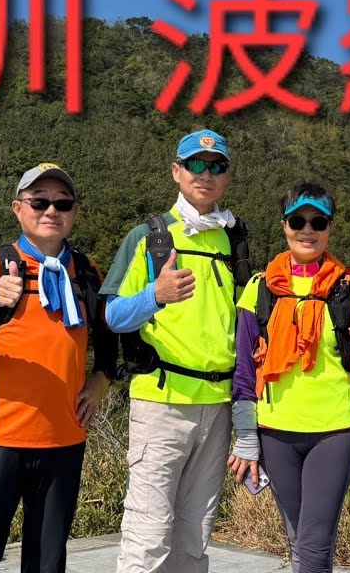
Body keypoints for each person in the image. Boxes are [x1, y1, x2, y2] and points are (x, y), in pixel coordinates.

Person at [0, 163, 116, 573]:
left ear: (74, 212)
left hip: (63, 439)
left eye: (62, 203)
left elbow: (110, 332)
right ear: (17, 208)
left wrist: (103, 377)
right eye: (39, 202)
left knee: (47, 564)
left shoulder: (86, 272)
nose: (51, 210)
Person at [101, 129, 249, 573]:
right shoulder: (149, 236)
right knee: (148, 533)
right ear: (176, 171)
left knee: (195, 534)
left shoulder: (233, 239)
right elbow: (113, 317)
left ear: (226, 176)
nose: (206, 174)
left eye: (216, 166)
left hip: (218, 406)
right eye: (196, 165)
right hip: (161, 403)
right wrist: (156, 295)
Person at [226, 182, 350, 573]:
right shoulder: (260, 289)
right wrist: (246, 439)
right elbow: (245, 372)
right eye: (298, 220)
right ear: (284, 226)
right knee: (298, 539)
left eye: (318, 221)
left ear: (330, 228)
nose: (307, 230)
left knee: (313, 541)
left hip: (333, 430)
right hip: (275, 431)